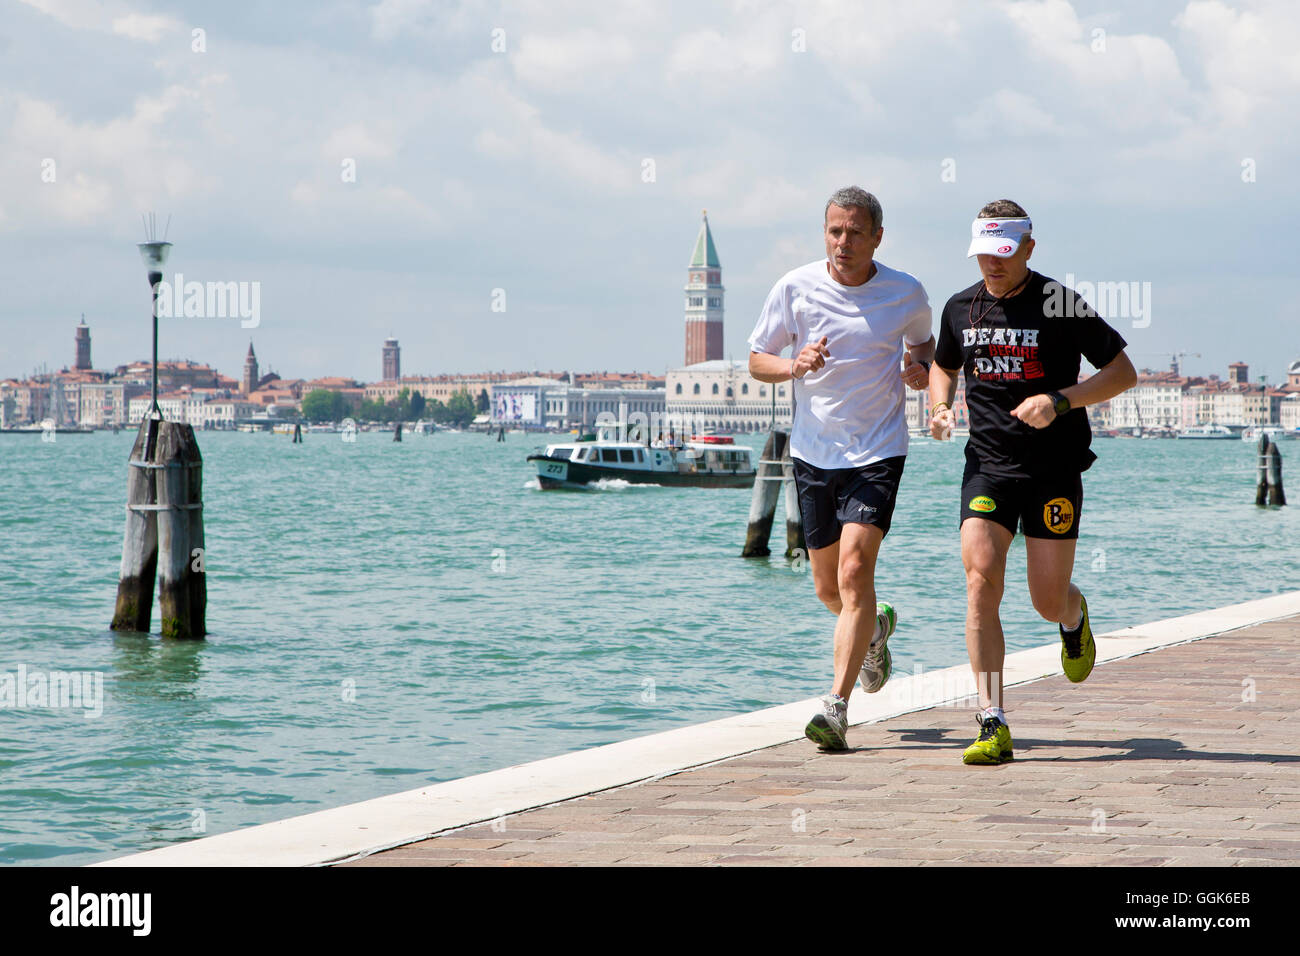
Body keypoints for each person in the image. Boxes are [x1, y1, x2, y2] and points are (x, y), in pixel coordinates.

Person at [928, 199, 1137, 765]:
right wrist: (942, 405)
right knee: (979, 581)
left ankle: (1073, 616)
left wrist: (1060, 400)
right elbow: (943, 365)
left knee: (1045, 600)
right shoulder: (959, 308)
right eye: (982, 256)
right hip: (988, 466)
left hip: (1053, 471)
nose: (991, 266)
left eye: (1002, 254)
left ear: (1027, 247)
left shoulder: (1059, 304)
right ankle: (991, 719)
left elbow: (1123, 372)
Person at [748, 186, 934, 750]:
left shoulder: (906, 293)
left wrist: (921, 369)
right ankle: (875, 632)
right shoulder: (795, 287)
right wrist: (793, 363)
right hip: (812, 454)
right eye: (834, 230)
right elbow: (758, 360)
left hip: (878, 452)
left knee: (855, 572)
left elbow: (926, 345)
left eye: (855, 231)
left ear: (878, 236)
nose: (843, 242)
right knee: (828, 589)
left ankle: (835, 707)